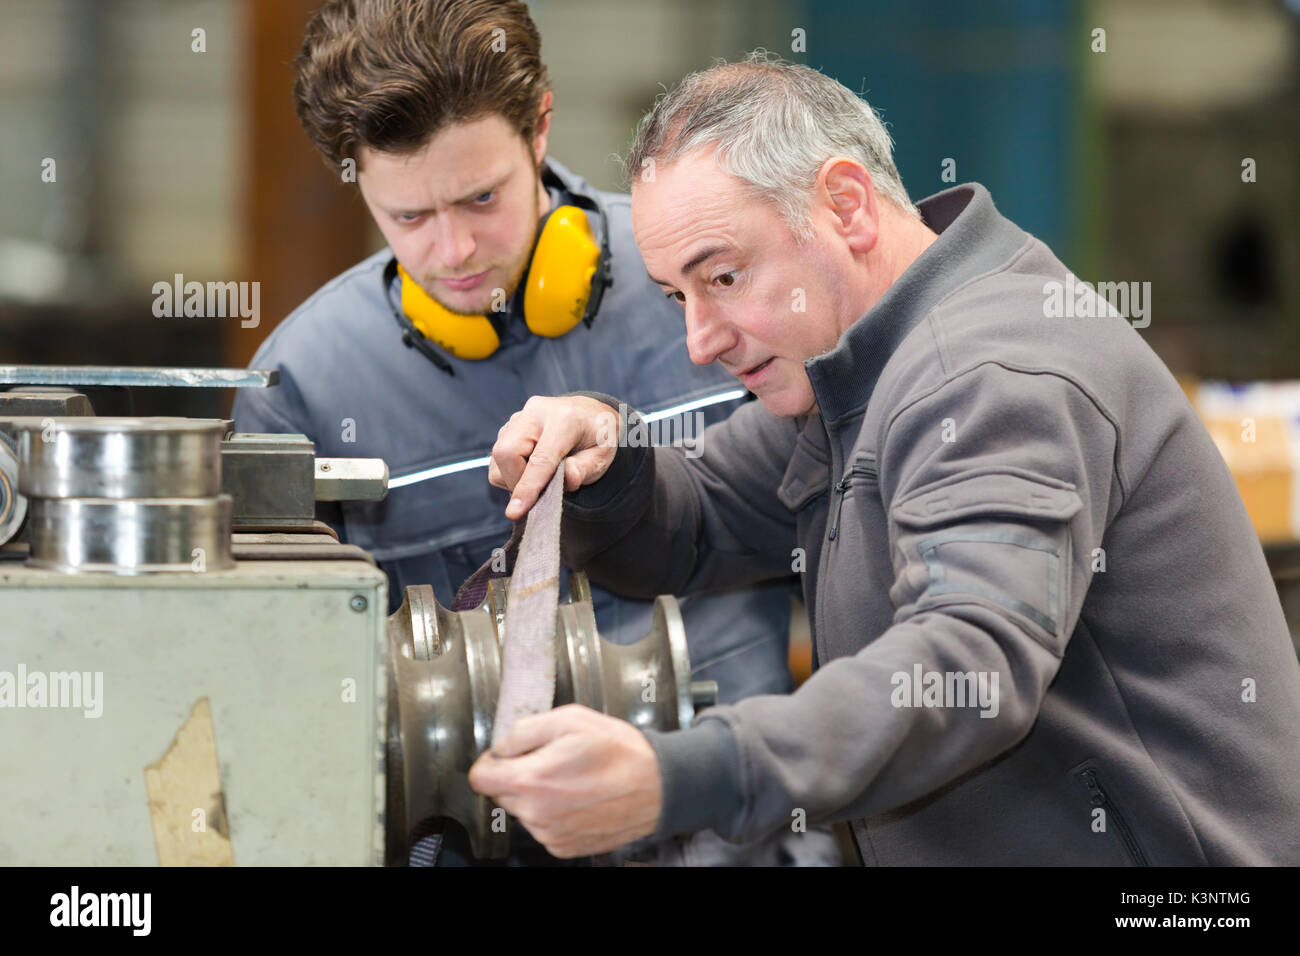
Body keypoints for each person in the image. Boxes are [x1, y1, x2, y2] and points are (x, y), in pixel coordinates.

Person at [469, 54, 1300, 864]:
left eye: (723, 276)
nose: (699, 342)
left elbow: (966, 667)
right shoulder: (849, 363)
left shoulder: (990, 378)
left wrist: (677, 776)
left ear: (848, 206)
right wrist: (603, 462)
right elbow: (699, 517)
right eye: (676, 296)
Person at [233, 5, 840, 866]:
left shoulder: (716, 287)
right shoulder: (302, 391)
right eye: (408, 216)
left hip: (736, 842)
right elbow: (279, 702)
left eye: (482, 197)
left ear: (540, 125)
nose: (454, 250)